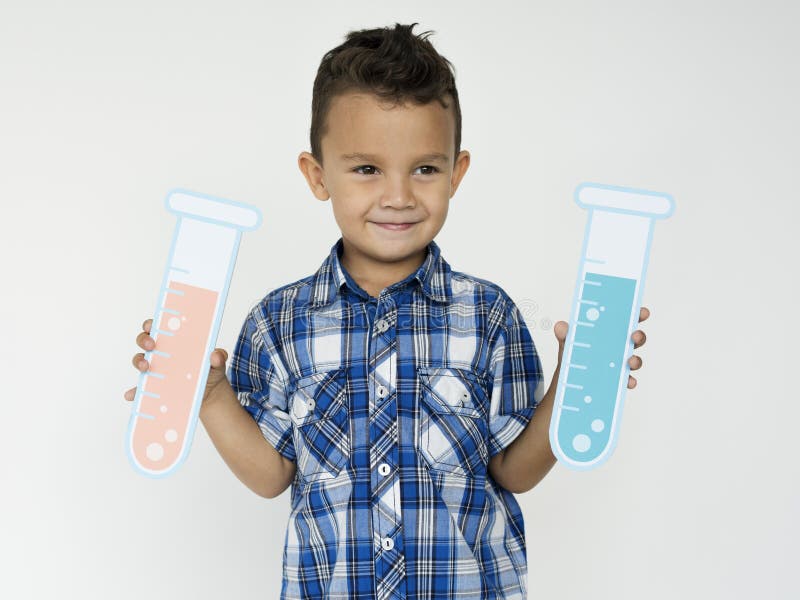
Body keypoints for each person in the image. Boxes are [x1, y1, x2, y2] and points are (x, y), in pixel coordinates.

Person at [125, 22, 649, 599]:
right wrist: (208, 395)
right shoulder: (278, 322)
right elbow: (271, 474)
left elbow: (515, 471)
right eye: (367, 169)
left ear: (456, 172)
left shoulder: (489, 315)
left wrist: (576, 384)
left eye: (425, 169)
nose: (398, 196)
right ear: (318, 175)